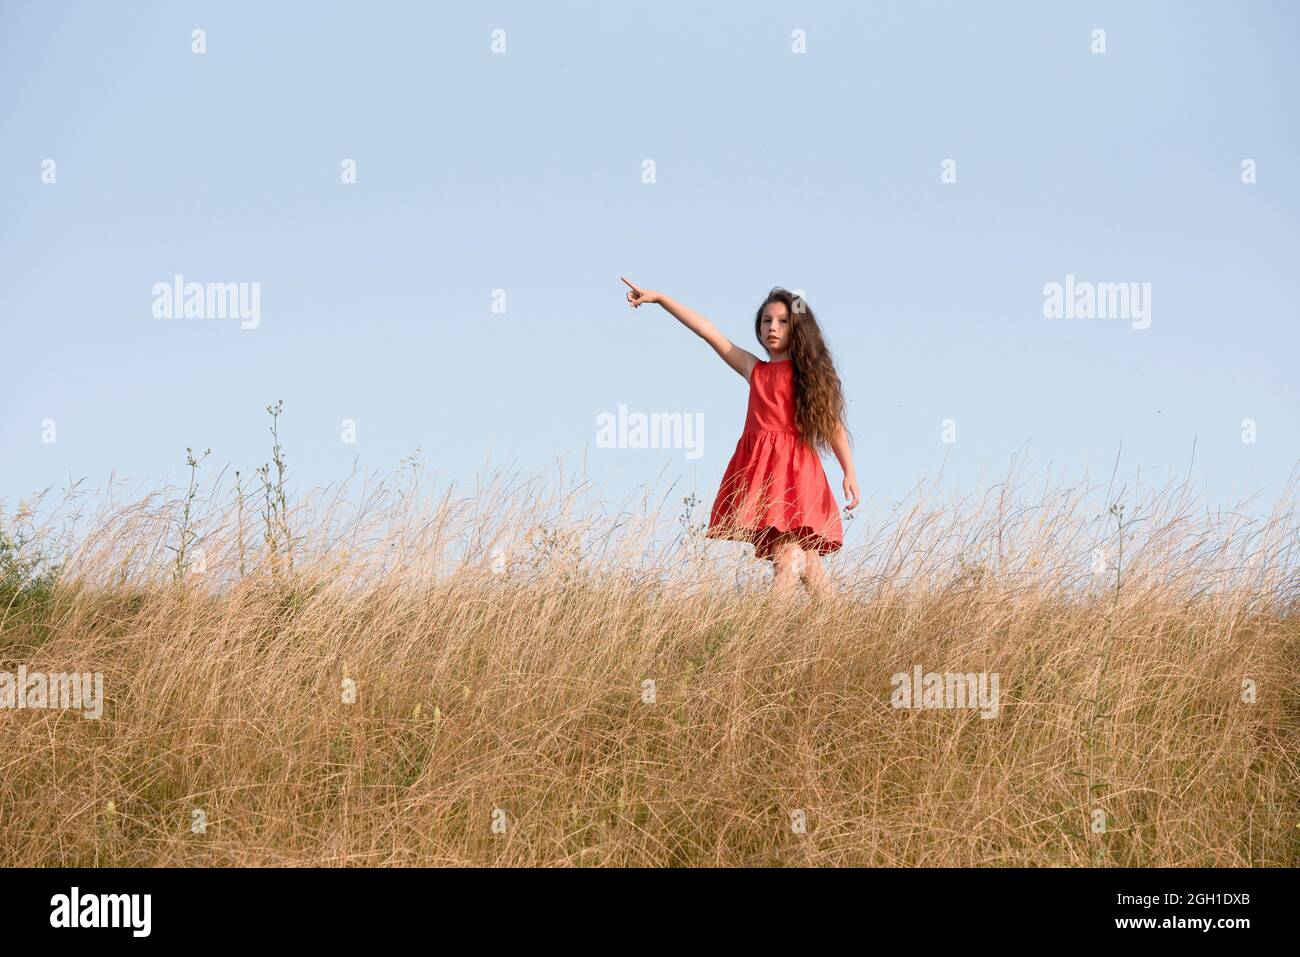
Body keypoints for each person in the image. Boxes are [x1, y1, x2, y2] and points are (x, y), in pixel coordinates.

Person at [621, 279, 859, 604]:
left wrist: (849, 472)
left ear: (797, 328)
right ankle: (844, 632)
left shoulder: (808, 379)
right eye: (766, 321)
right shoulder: (755, 371)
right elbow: (709, 333)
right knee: (807, 560)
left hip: (798, 474)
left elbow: (834, 428)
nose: (772, 327)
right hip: (764, 474)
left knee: (788, 556)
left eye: (783, 321)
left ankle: (765, 640)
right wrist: (661, 299)